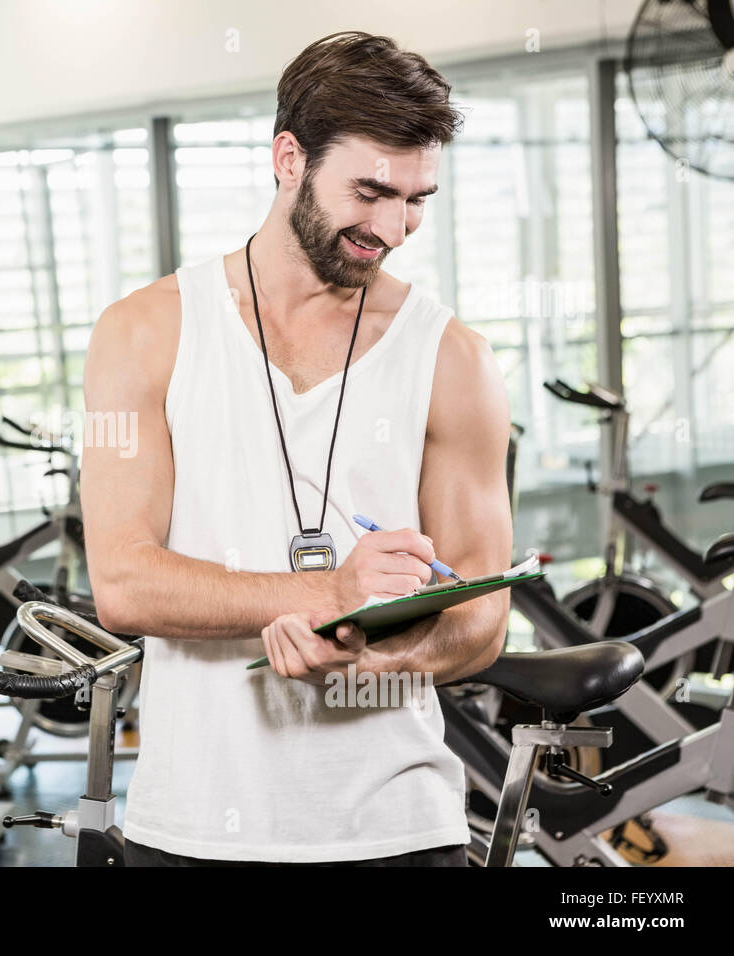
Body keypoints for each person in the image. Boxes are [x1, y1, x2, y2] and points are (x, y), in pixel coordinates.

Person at [81, 31, 513, 866]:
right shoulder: (145, 332)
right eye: (371, 191)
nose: (394, 227)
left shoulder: (454, 358)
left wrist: (362, 663)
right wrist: (327, 591)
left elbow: (481, 620)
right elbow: (124, 583)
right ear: (289, 159)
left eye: (417, 197)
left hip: (401, 828)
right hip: (193, 827)